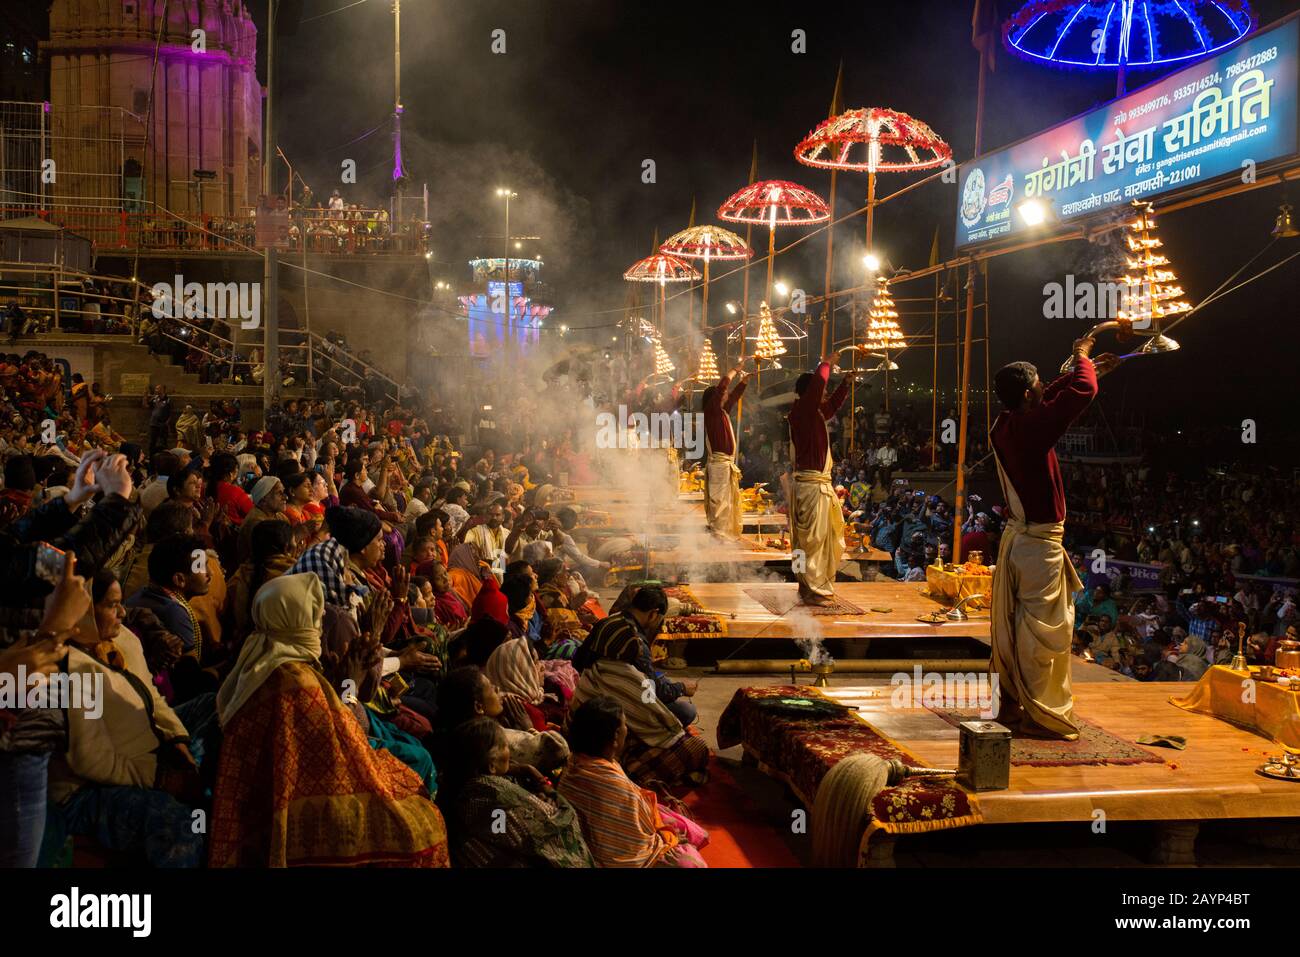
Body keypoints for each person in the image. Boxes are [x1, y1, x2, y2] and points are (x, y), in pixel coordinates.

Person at [208, 573, 449, 866]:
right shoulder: (293, 681)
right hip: (297, 794)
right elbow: (342, 743)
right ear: (297, 621)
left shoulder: (259, 655)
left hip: (271, 789)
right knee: (421, 826)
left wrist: (344, 681)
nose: (321, 627)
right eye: (316, 618)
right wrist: (351, 682)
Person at [987, 340, 1121, 739]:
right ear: (1029, 393)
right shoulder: (1031, 427)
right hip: (1037, 548)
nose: (1047, 386)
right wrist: (1081, 356)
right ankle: (1041, 714)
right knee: (1043, 633)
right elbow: (1083, 392)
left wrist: (1089, 366)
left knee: (1015, 629)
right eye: (1041, 383)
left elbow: (1054, 397)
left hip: (1019, 544)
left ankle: (1011, 704)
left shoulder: (1007, 424)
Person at [559, 696, 708, 868]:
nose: (627, 729)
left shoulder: (575, 762)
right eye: (624, 725)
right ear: (615, 737)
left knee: (683, 826)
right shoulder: (609, 781)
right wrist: (668, 838)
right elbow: (638, 837)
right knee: (691, 861)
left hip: (592, 846)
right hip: (614, 858)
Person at [437, 716, 592, 868]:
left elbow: (504, 830)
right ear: (491, 765)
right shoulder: (496, 794)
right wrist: (543, 785)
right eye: (505, 746)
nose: (509, 751)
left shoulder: (456, 787)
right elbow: (559, 824)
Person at [786, 354, 849, 605]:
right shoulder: (802, 411)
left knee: (806, 541)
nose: (823, 398)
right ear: (809, 393)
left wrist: (845, 383)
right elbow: (818, 395)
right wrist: (826, 364)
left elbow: (831, 406)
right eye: (819, 393)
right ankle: (815, 589)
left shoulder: (810, 415)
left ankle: (805, 585)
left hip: (812, 487)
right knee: (814, 543)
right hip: (812, 489)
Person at [701, 361, 749, 539]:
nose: (726, 394)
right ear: (715, 398)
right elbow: (722, 388)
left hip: (725, 466)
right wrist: (733, 371)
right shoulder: (712, 412)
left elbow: (733, 397)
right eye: (723, 393)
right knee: (720, 503)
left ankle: (723, 536)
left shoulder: (722, 412)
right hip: (719, 466)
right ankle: (718, 538)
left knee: (726, 503)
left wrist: (743, 383)